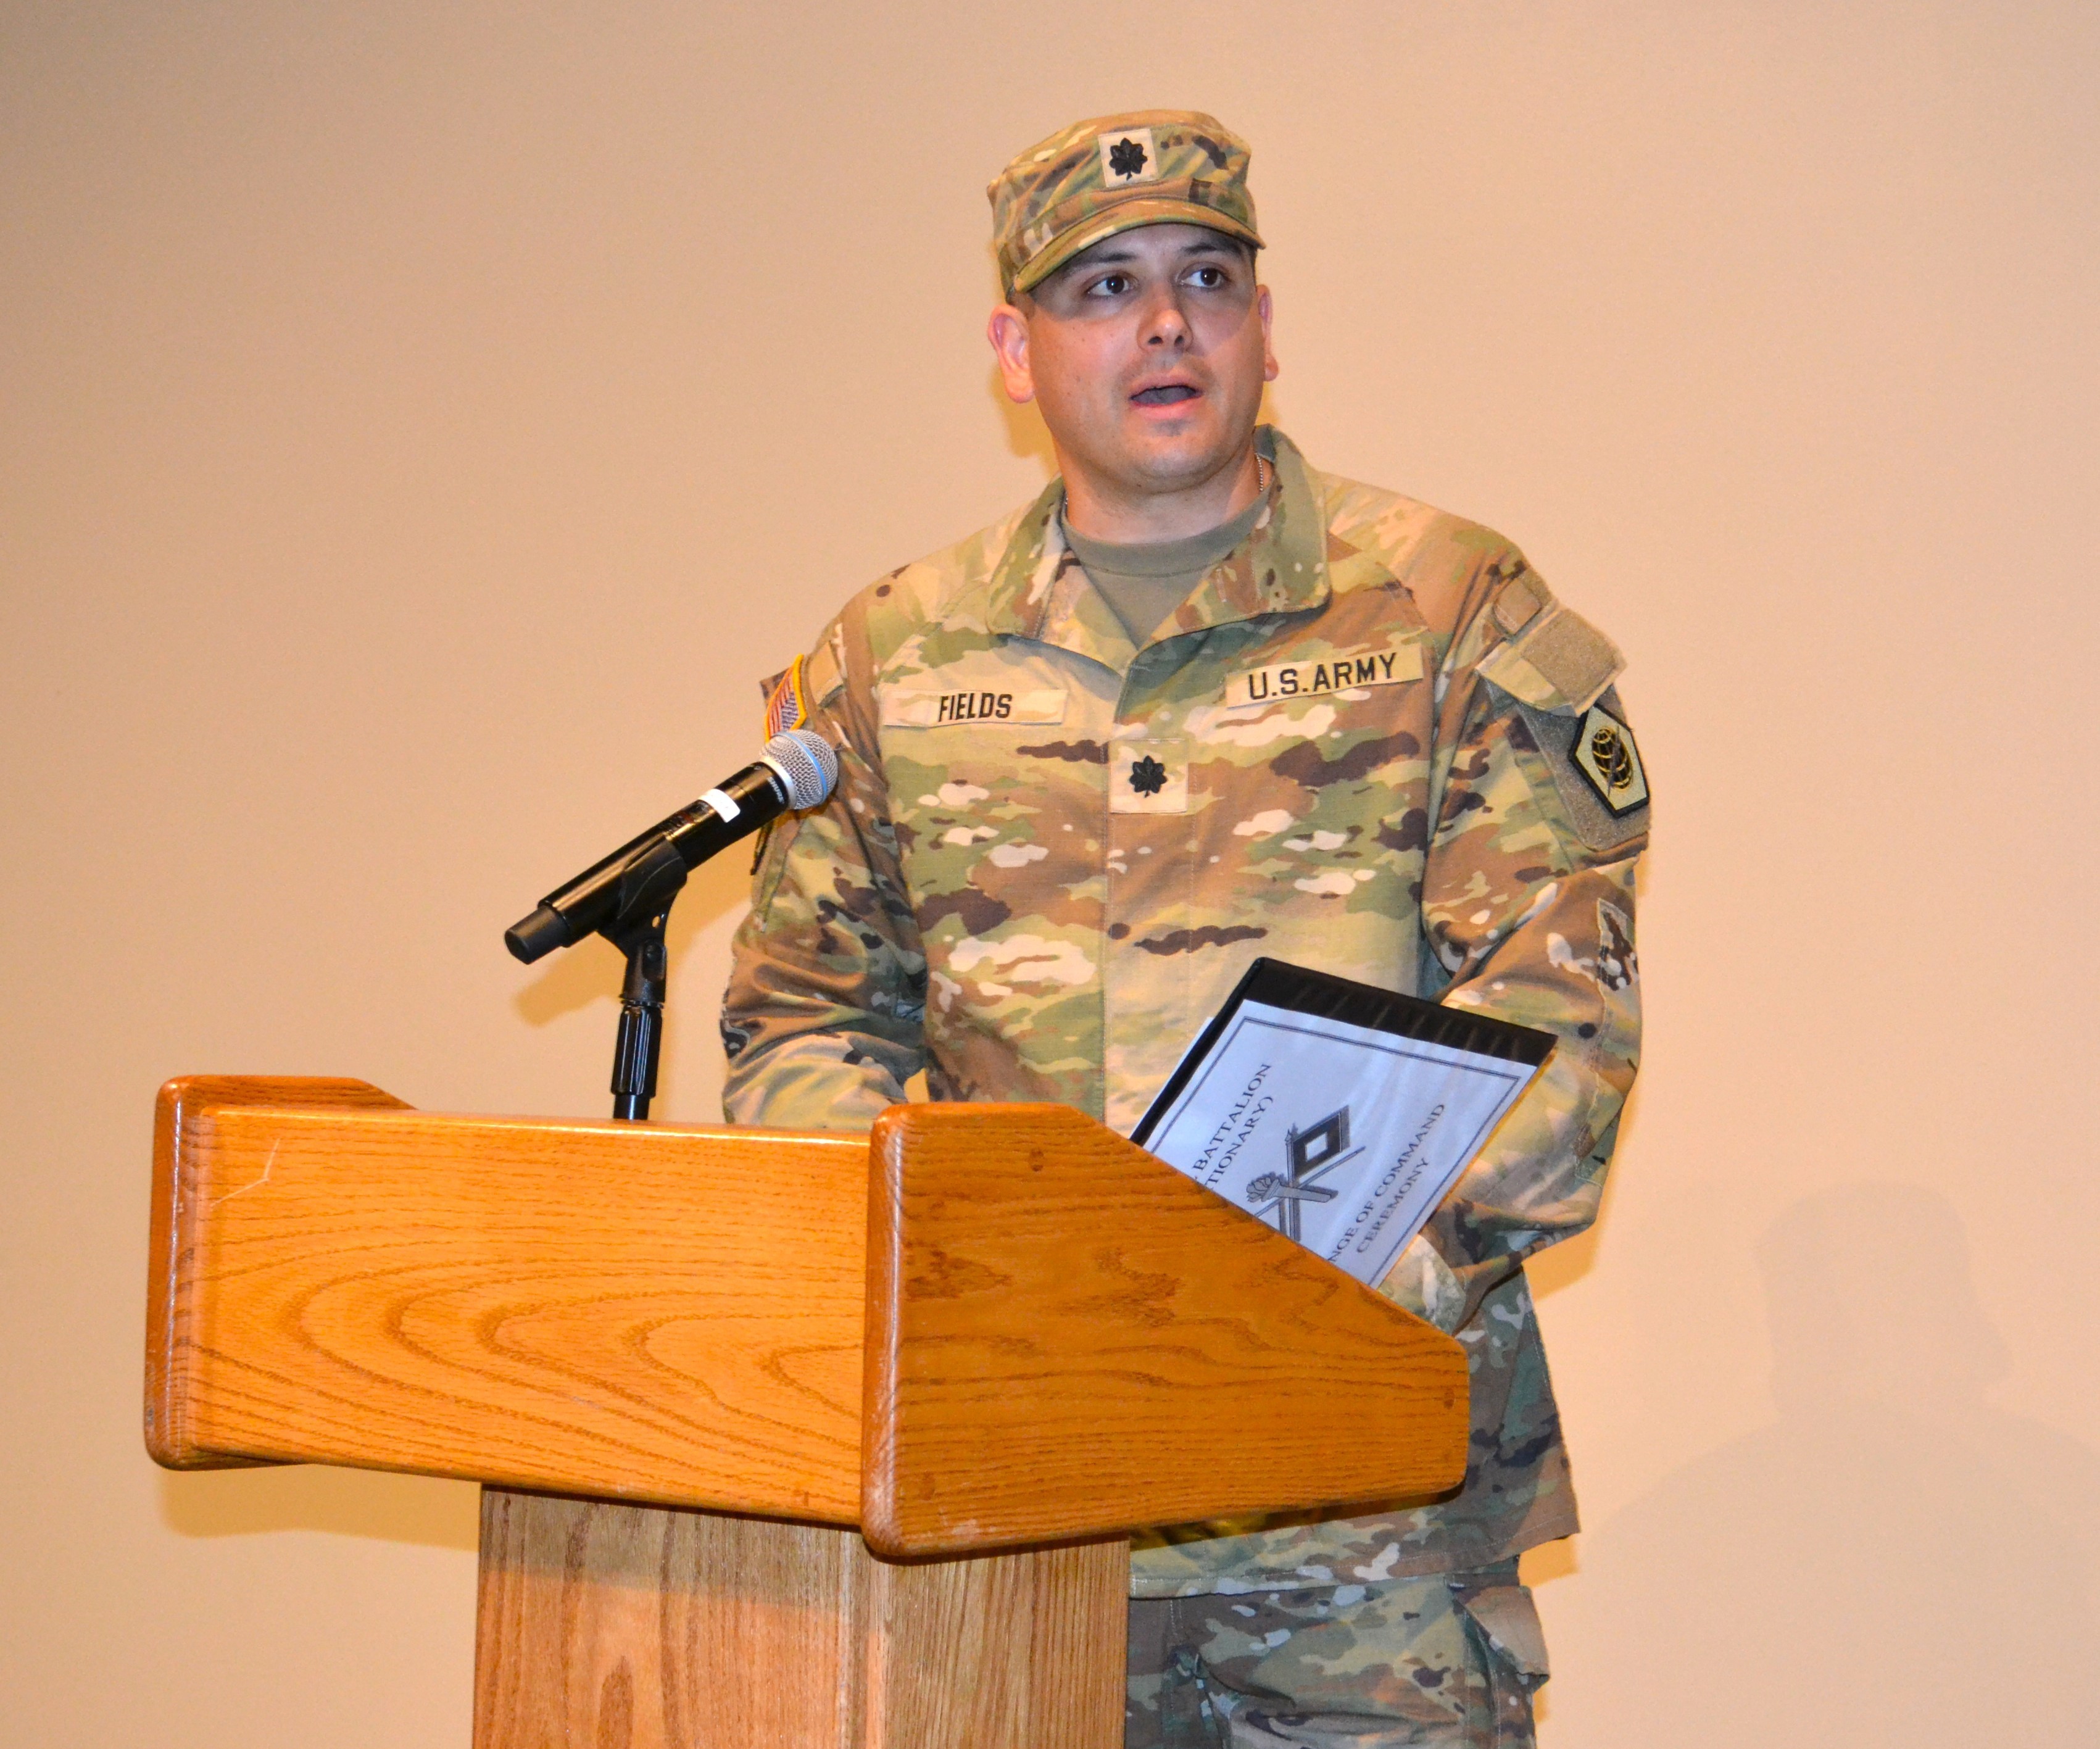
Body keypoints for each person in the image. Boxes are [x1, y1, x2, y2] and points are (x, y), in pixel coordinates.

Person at [720, 110, 1647, 1748]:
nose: (1164, 322)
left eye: (1208, 277)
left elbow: (1555, 1020)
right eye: (1102, 286)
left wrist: (1338, 1285)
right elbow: (800, 1027)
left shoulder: (1444, 607)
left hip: (1359, 1522)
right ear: (1014, 352)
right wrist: (969, 1279)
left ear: (1264, 330)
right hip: (1000, 1513)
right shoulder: (893, 655)